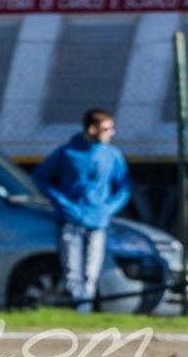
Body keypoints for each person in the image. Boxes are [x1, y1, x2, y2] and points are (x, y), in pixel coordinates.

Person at [32, 108, 131, 313]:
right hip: (71, 221)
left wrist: (108, 209)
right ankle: (76, 306)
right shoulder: (68, 153)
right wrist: (63, 203)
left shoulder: (112, 156)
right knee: (72, 270)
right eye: (106, 128)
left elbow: (123, 187)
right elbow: (41, 178)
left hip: (98, 222)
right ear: (92, 129)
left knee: (91, 271)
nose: (111, 133)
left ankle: (84, 308)